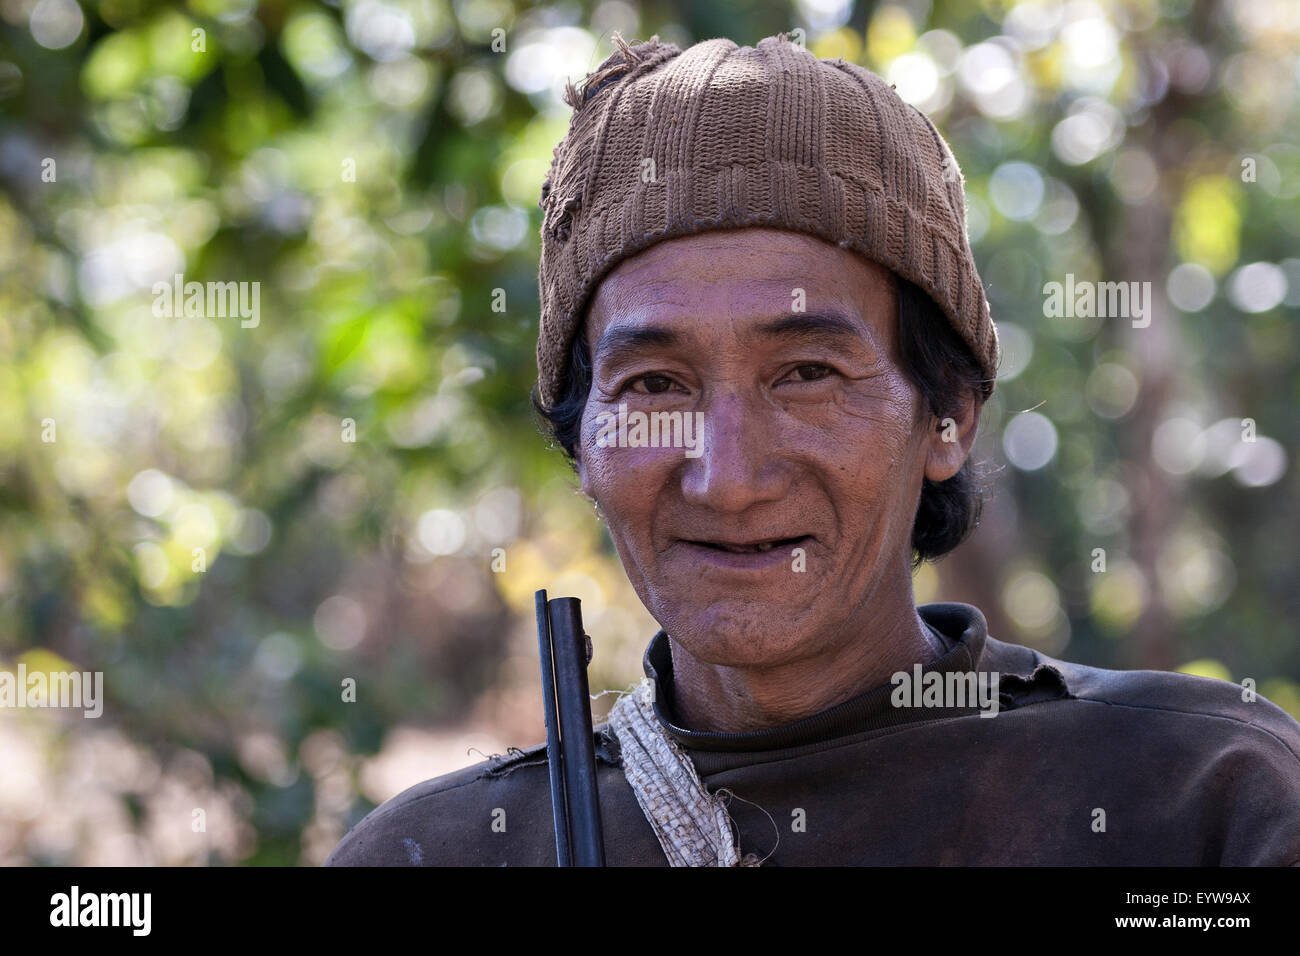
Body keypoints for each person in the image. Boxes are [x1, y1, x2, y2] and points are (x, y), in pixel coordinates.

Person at [325, 34, 1300, 866]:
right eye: (654, 386)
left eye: (806, 374)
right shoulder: (446, 851)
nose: (729, 475)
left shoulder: (1201, 799)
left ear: (947, 415)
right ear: (581, 441)